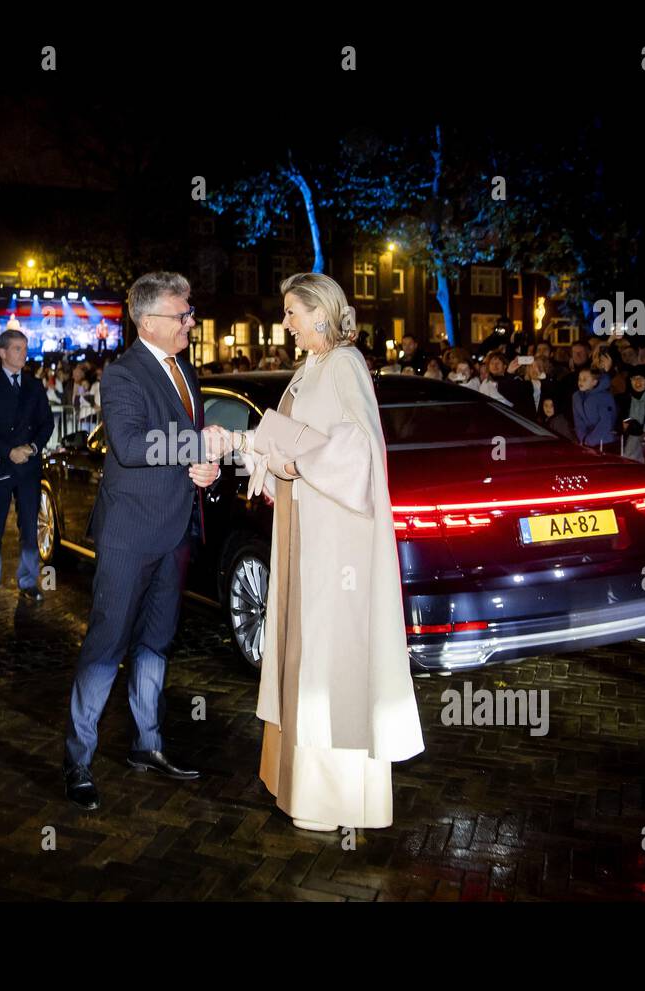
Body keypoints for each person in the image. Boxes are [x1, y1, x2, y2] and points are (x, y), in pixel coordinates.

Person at [208, 273, 423, 831]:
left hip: (336, 539)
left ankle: (336, 798)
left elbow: (357, 449)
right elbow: (295, 439)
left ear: (320, 313)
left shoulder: (346, 365)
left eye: (291, 312)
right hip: (306, 525)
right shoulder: (311, 368)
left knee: (331, 654)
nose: (285, 322)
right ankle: (300, 786)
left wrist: (285, 453)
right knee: (303, 646)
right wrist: (251, 445)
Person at [62, 272, 220, 811]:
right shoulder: (123, 373)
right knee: (107, 643)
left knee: (157, 641)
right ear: (149, 322)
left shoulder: (185, 370)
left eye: (190, 312)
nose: (191, 322)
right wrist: (197, 444)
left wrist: (205, 469)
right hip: (130, 534)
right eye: (183, 315)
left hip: (175, 530)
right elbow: (129, 445)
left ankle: (147, 745)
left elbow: (183, 451)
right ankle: (77, 760)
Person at [0, 329, 54, 607]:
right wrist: (9, 451)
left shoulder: (34, 385)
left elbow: (47, 423)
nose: (24, 353)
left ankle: (29, 582)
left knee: (29, 528)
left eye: (25, 348)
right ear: (3, 352)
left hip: (28, 467)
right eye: (18, 348)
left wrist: (31, 448)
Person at [572, 367, 618, 451]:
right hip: (585, 442)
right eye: (579, 379)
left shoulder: (604, 397)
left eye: (585, 379)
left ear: (594, 382)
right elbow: (578, 420)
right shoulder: (576, 397)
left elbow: (606, 422)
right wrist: (583, 438)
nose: (580, 382)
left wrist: (590, 440)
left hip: (605, 441)